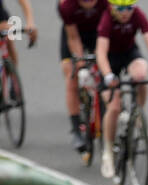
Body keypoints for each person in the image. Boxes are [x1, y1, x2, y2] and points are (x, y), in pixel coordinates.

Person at [96, 0, 148, 179]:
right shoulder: (106, 19)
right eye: (120, 9)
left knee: (141, 75)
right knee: (114, 107)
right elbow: (101, 52)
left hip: (128, 53)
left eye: (129, 8)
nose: (125, 12)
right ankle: (108, 152)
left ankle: (138, 114)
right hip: (109, 60)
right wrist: (108, 75)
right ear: (112, 8)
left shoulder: (137, 15)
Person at [58, 0, 107, 152]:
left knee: (104, 70)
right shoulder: (67, 6)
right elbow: (73, 38)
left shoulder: (106, 3)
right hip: (74, 33)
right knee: (72, 77)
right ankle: (76, 130)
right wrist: (79, 62)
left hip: (98, 33)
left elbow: (106, 32)